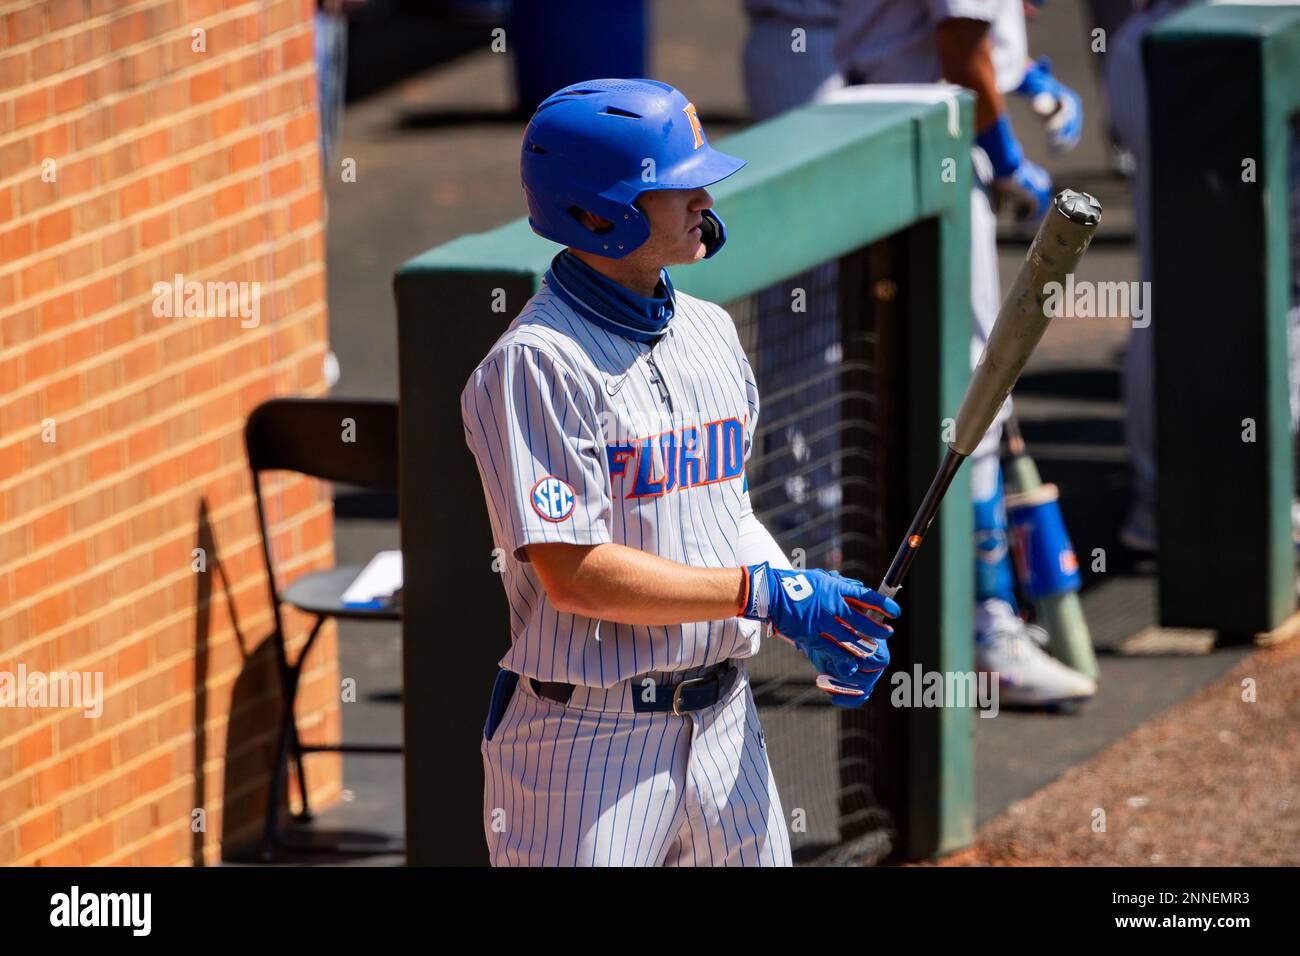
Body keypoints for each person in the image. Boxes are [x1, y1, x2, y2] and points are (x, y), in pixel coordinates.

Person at [460, 78, 900, 867]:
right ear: (601, 210)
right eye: (676, 185)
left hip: (728, 721)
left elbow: (724, 513)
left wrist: (804, 609)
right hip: (588, 746)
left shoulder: (709, 329)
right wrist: (762, 594)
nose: (703, 196)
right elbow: (575, 573)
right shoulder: (537, 366)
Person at [833, 0, 1095, 707]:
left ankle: (972, 624)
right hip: (930, 143)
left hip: (888, 128)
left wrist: (1023, 70)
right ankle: (987, 632)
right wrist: (1010, 159)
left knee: (941, 377)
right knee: (970, 384)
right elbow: (957, 43)